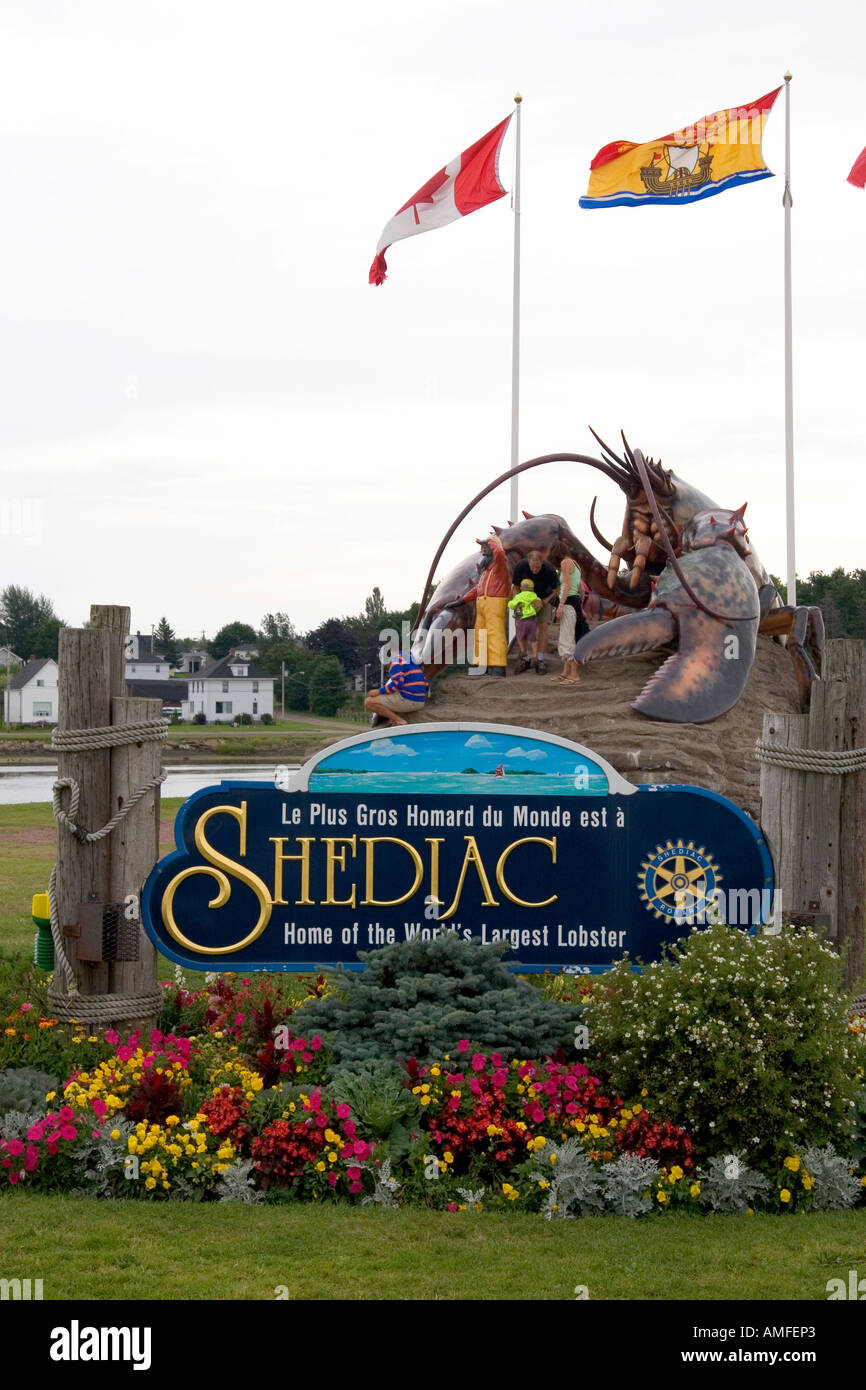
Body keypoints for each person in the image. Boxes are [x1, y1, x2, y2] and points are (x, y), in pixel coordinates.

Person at [460, 533, 509, 677]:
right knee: (480, 634)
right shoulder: (487, 571)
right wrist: (463, 600)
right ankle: (481, 664)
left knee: (494, 633)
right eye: (482, 548)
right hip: (482, 603)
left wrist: (491, 540)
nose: (483, 551)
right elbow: (478, 589)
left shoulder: (500, 566)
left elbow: (499, 551)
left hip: (495, 602)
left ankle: (497, 665)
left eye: (486, 548)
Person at [510, 550, 559, 673]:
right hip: (524, 602)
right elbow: (515, 587)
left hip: (543, 599)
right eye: (532, 567)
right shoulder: (521, 566)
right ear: (528, 562)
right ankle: (525, 657)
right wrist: (517, 604)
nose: (535, 570)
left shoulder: (549, 569)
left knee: (543, 626)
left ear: (542, 563)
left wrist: (543, 602)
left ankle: (539, 659)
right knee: (519, 624)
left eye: (537, 567)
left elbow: (556, 589)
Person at [365, 652, 429, 727]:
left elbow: (398, 683)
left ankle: (399, 721)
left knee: (369, 702)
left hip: (410, 701)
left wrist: (378, 691)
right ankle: (393, 718)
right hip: (421, 702)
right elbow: (426, 684)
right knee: (392, 694)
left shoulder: (397, 660)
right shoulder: (413, 662)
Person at [553, 555, 589, 684]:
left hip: (568, 603)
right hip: (573, 602)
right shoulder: (575, 565)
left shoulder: (565, 562)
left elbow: (567, 585)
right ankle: (566, 672)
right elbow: (581, 589)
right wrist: (580, 607)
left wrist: (561, 605)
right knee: (566, 637)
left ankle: (574, 674)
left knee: (566, 640)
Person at [507, 579, 543, 672]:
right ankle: (535, 656)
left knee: (520, 636)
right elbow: (539, 604)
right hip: (533, 619)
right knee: (533, 638)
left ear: (521, 588)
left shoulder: (519, 596)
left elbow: (510, 605)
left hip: (522, 620)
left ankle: (523, 651)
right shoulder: (534, 595)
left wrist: (516, 603)